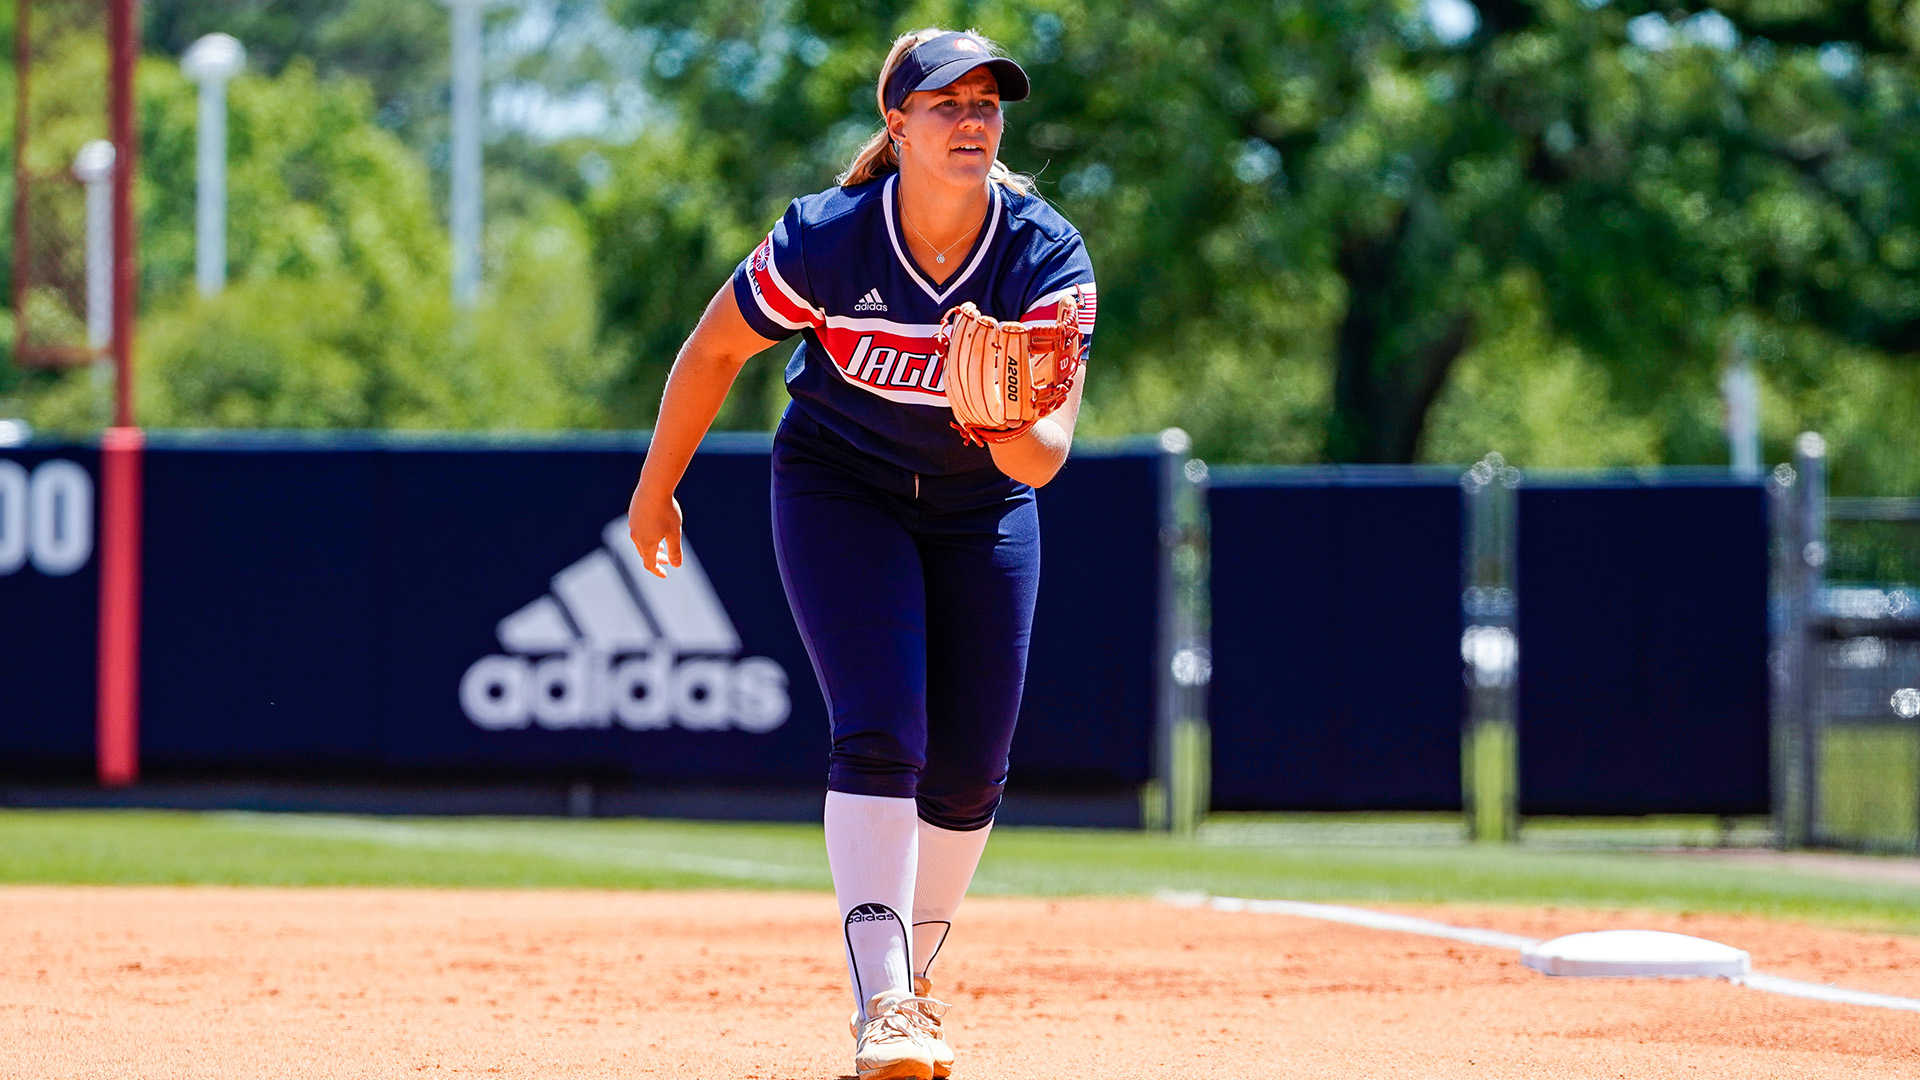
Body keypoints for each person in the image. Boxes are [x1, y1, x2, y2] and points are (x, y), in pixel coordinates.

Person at [625, 26, 1096, 1080]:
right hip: (843, 483)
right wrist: (656, 493)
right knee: (883, 727)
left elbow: (1045, 460)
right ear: (898, 123)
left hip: (984, 503)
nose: (971, 121)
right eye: (946, 104)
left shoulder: (1043, 253)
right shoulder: (827, 240)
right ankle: (882, 1002)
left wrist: (996, 417)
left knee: (972, 766)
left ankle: (918, 978)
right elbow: (713, 348)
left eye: (987, 104)